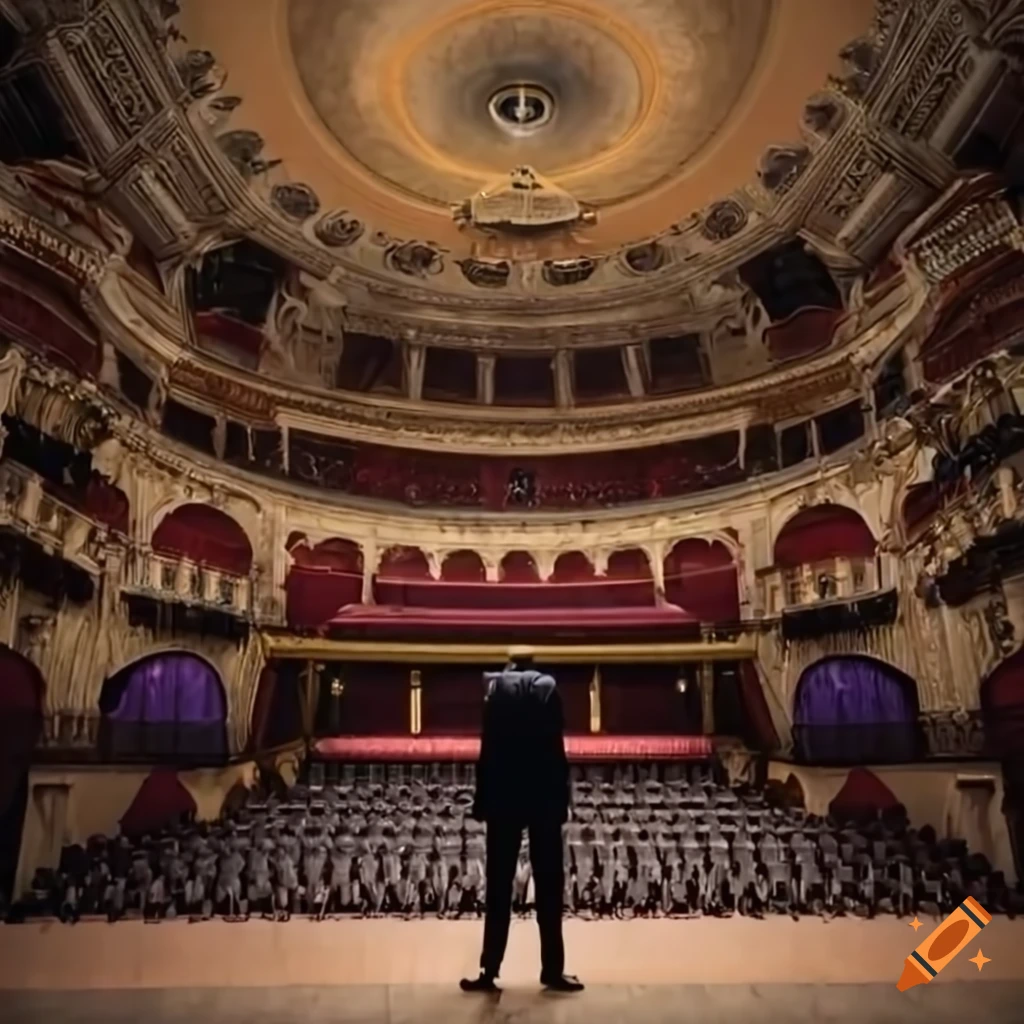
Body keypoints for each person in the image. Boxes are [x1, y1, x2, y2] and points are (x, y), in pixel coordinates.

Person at [460, 652, 583, 993]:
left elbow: (487, 752)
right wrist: (562, 802)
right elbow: (557, 752)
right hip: (542, 795)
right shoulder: (547, 689)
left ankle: (489, 970)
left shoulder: (495, 691)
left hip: (504, 796)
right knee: (549, 887)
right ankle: (552, 970)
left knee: (498, 888)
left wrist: (482, 800)